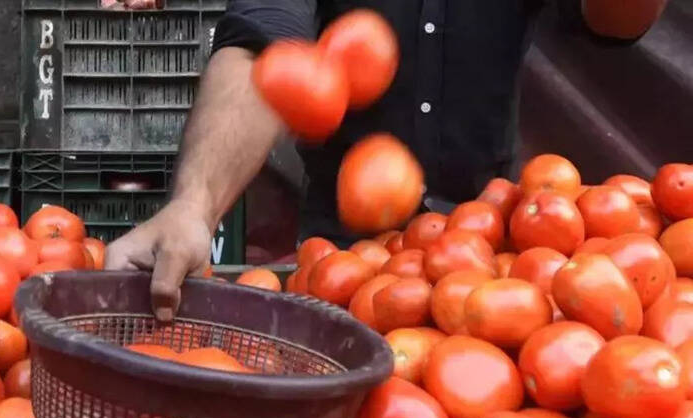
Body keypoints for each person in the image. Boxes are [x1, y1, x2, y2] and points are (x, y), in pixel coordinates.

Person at [105, 0, 669, 320]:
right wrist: (195, 206)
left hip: (488, 254)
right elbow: (263, 44)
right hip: (342, 261)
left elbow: (611, 23)